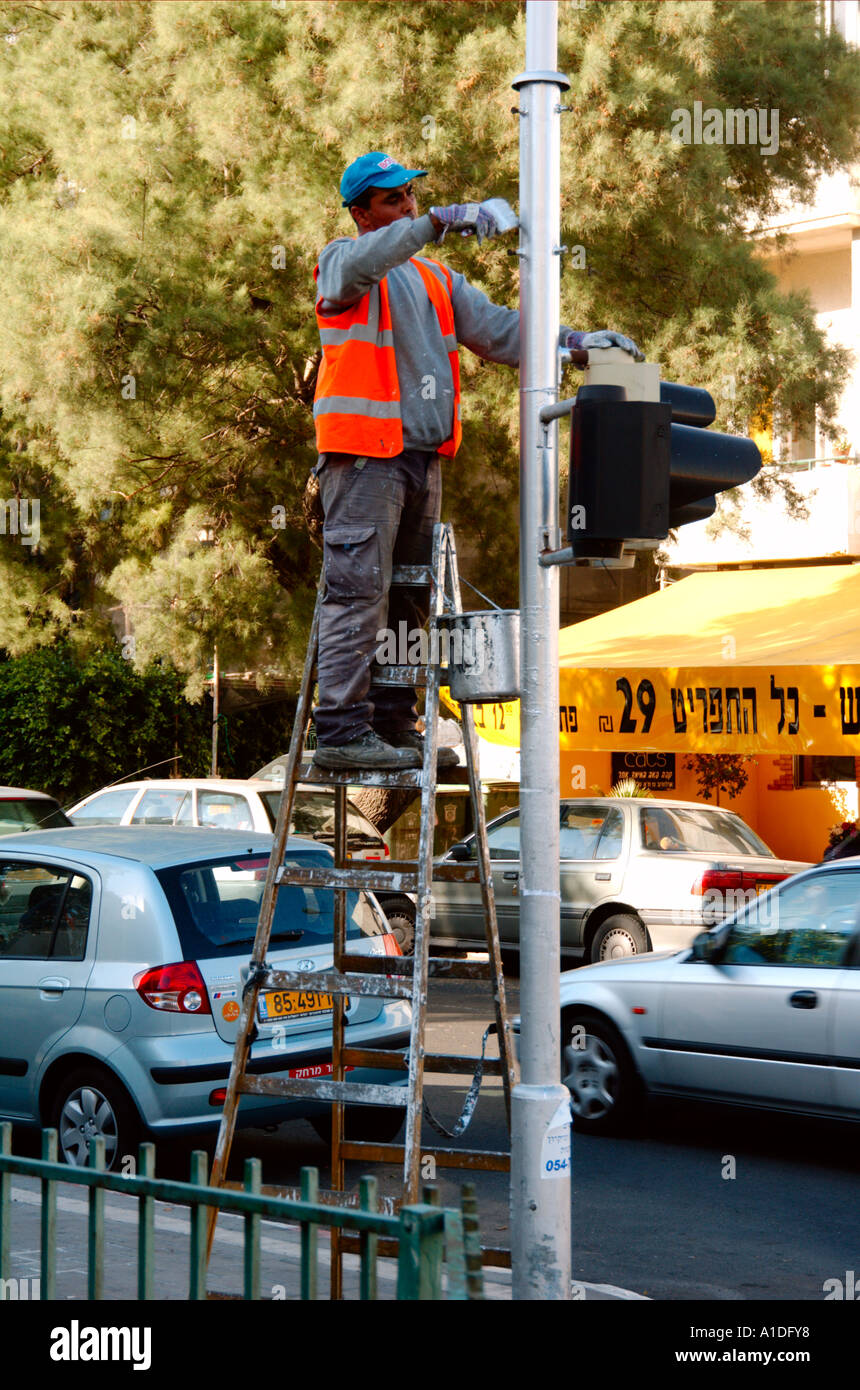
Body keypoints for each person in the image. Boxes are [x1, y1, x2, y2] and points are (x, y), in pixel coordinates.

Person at [311, 151, 644, 770]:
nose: (406, 205)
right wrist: (438, 220)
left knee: (407, 601)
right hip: (362, 460)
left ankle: (391, 723)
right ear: (360, 212)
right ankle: (338, 731)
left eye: (410, 195)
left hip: (419, 461)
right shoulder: (343, 262)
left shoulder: (436, 281)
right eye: (392, 199)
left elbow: (499, 330)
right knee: (360, 593)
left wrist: (572, 343)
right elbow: (347, 274)